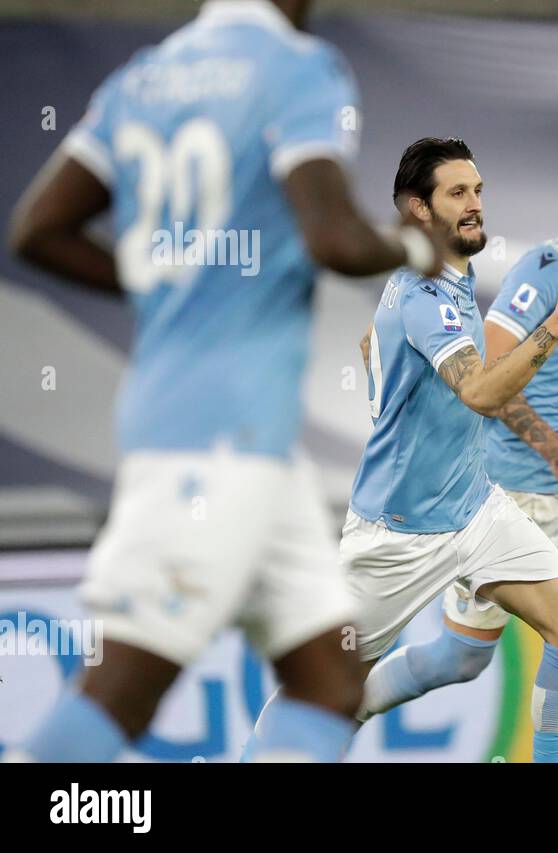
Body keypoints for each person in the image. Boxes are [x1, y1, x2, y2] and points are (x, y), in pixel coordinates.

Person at [7, 0, 442, 763]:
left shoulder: (144, 78)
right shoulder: (297, 69)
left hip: (240, 446)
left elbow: (39, 229)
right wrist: (417, 247)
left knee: (331, 681)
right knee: (121, 694)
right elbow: (336, 237)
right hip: (217, 450)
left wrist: (169, 286)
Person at [246, 137, 558, 763]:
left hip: (474, 507)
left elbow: (376, 340)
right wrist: (555, 326)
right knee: (321, 694)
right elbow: (481, 394)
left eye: (478, 191)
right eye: (457, 193)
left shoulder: (441, 275)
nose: (475, 205)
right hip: (398, 535)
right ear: (418, 208)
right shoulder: (424, 293)